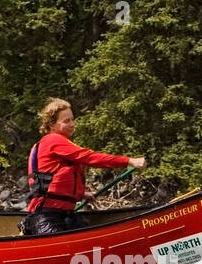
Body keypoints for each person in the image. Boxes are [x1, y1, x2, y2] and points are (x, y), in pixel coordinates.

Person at [22, 98, 145, 235]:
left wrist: (81, 194)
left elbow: (59, 179)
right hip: (46, 217)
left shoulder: (60, 143)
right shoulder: (53, 140)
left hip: (63, 215)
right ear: (52, 125)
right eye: (66, 121)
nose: (72, 124)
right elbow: (91, 158)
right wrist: (129, 161)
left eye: (72, 119)